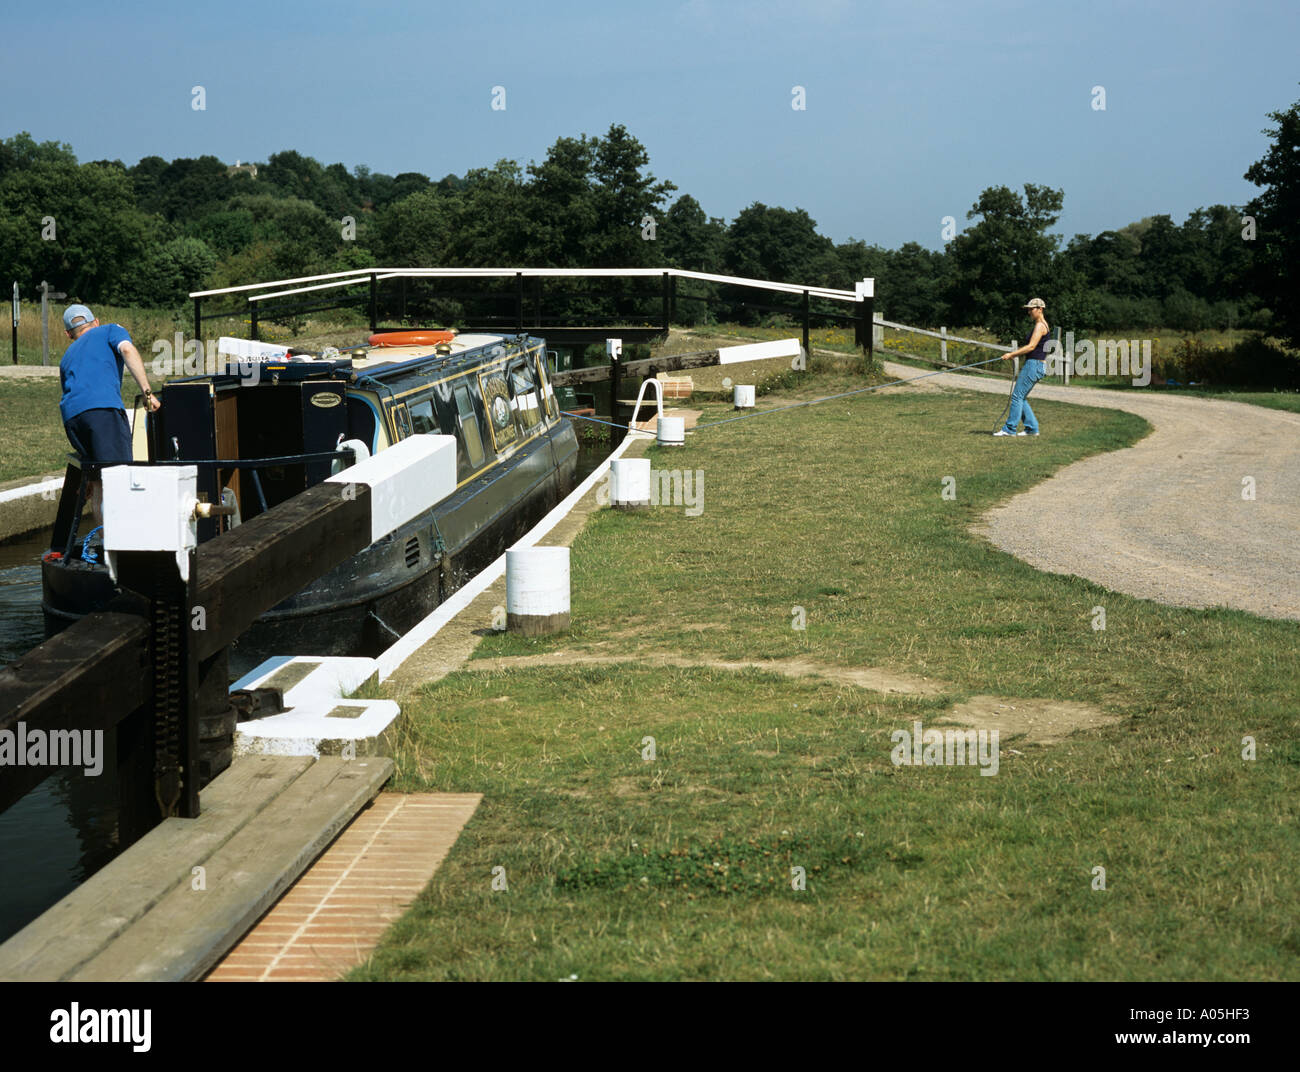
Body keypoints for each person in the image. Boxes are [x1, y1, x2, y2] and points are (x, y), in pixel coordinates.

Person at [59, 304, 161, 526]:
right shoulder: (109, 330)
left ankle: (108, 549)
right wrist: (147, 392)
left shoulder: (66, 357)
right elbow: (127, 350)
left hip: (72, 418)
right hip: (102, 412)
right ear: (95, 321)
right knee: (120, 478)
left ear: (68, 334)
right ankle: (124, 548)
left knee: (99, 484)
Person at [994, 297, 1050, 437]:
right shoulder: (1041, 325)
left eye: (1031, 309)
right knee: (1021, 397)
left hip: (1034, 364)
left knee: (1017, 396)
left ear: (1040, 309)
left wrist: (1012, 354)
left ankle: (1009, 429)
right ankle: (1031, 428)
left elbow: (1031, 346)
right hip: (1036, 364)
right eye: (1028, 309)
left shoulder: (1040, 326)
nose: (1029, 312)